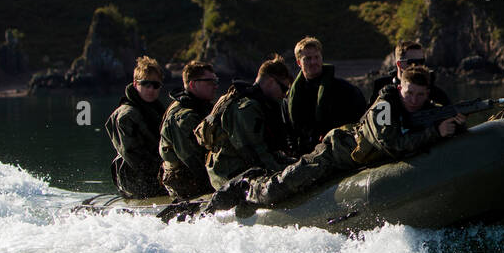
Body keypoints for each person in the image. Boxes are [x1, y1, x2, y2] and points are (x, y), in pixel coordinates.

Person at [217, 64, 466, 208]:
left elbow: (440, 125)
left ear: (427, 94)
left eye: (420, 95)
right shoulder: (384, 106)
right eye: (409, 93)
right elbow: (391, 144)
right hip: (336, 152)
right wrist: (435, 132)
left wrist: (456, 125)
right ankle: (246, 185)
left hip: (359, 164)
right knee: (281, 188)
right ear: (400, 88)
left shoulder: (427, 110)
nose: (413, 100)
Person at [198, 54, 296, 190]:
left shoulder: (256, 103)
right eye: (284, 89)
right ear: (270, 82)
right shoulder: (246, 109)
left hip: (238, 168)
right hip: (230, 176)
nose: (284, 95)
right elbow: (255, 154)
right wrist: (286, 173)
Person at [283, 36, 369, 155]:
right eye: (308, 59)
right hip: (304, 154)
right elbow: (289, 132)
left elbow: (361, 120)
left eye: (316, 57)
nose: (313, 62)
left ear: (321, 58)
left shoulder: (345, 90)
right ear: (299, 62)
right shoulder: (290, 99)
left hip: (339, 150)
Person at [104, 56, 167, 198]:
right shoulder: (127, 116)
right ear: (135, 84)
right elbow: (133, 156)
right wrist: (164, 170)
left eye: (155, 85)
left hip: (157, 171)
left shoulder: (158, 110)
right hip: (134, 177)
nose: (151, 89)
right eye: (145, 84)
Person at [158, 61, 218, 200]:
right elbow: (192, 161)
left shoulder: (203, 108)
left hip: (198, 176)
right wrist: (218, 186)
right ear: (192, 85)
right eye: (209, 82)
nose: (215, 86)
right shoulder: (182, 118)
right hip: (185, 183)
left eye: (216, 81)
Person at [371, 40, 450, 106]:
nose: (418, 66)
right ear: (399, 64)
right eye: (412, 62)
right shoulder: (381, 87)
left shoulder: (435, 92)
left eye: (421, 62)